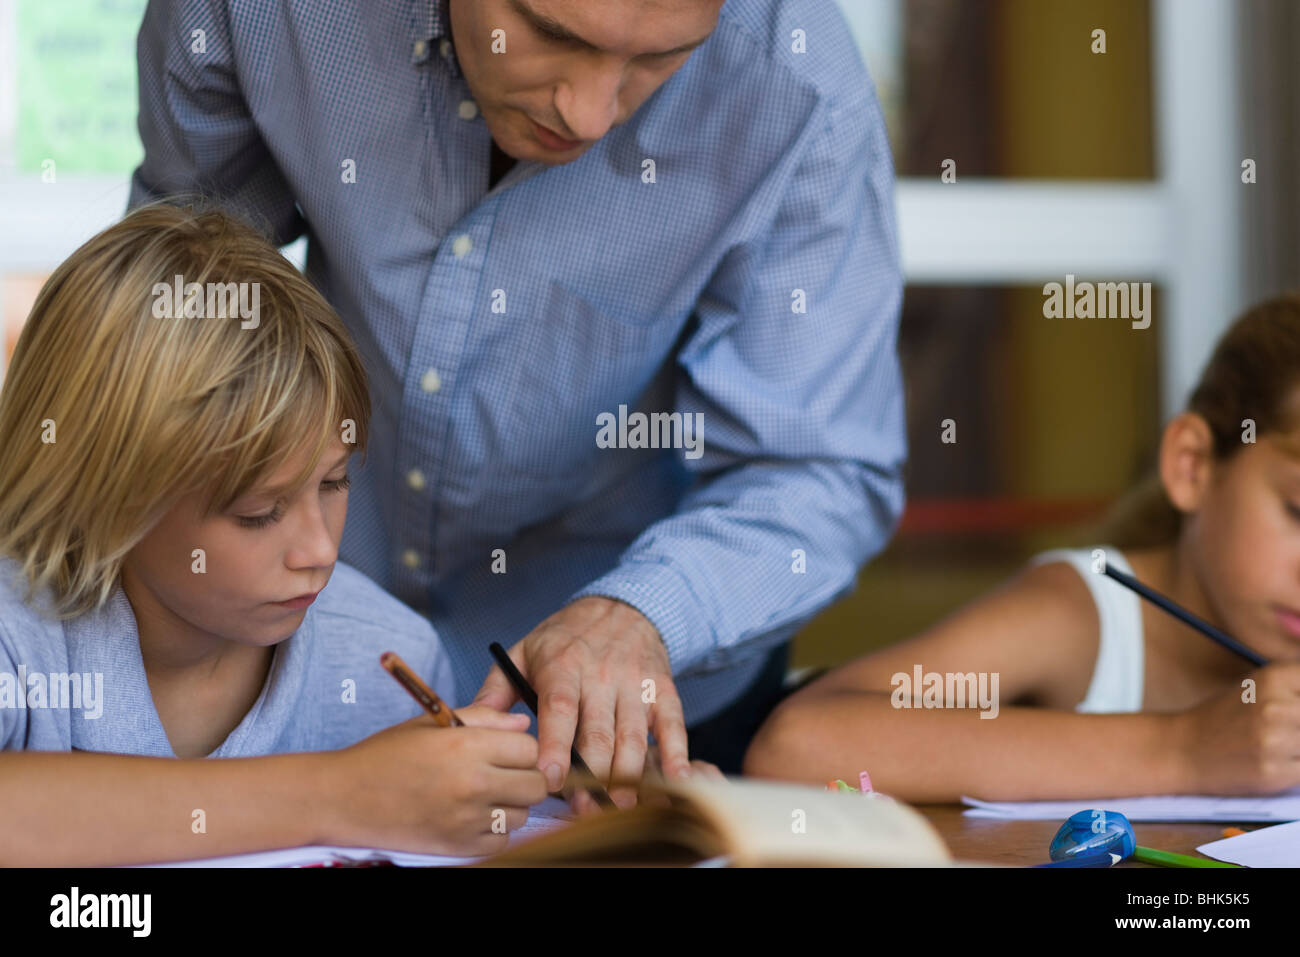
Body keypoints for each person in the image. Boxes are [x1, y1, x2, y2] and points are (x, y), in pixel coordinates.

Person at [130, 0, 906, 801]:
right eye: (556, 35)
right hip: (299, 673)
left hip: (633, 716)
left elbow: (819, 470)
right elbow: (184, 312)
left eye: (662, 59)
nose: (592, 114)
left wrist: (641, 613)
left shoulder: (799, 85)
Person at [0, 203, 549, 865]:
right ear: (107, 496)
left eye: (336, 481)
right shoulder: (18, 634)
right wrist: (342, 792)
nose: (320, 551)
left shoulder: (386, 655)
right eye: (259, 512)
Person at [746, 295, 1300, 803]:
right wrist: (1186, 749)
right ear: (1193, 465)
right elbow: (800, 742)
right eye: (1296, 513)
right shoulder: (1083, 614)